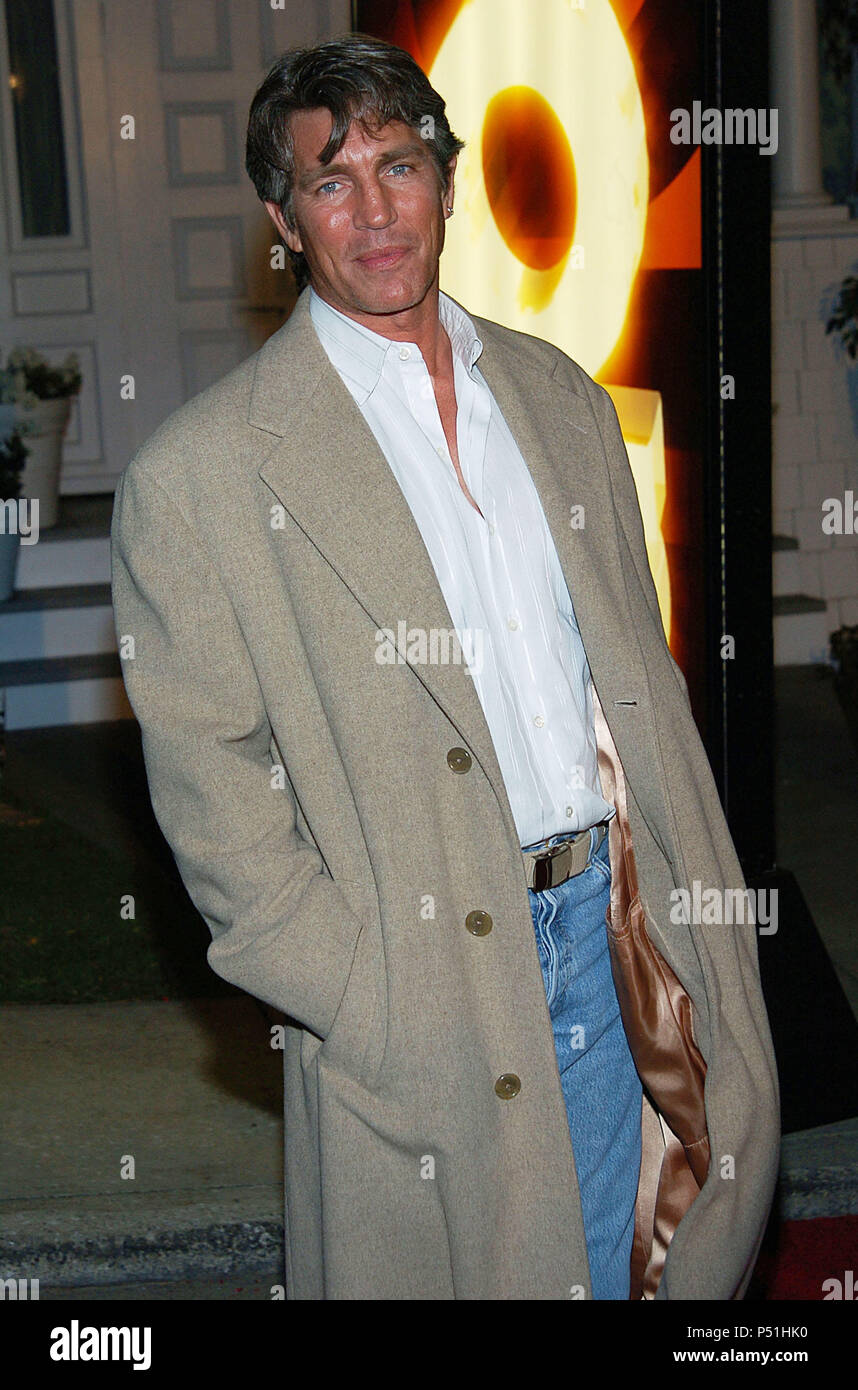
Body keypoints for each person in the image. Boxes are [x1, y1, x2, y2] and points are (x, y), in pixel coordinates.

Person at [110, 33, 780, 1300]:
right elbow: (215, 810)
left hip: (617, 925)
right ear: (283, 216)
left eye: (400, 164)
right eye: (331, 179)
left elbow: (630, 680)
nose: (375, 209)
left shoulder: (561, 399)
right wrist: (369, 1001)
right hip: (423, 974)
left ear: (449, 180)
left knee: (646, 1263)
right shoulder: (199, 482)